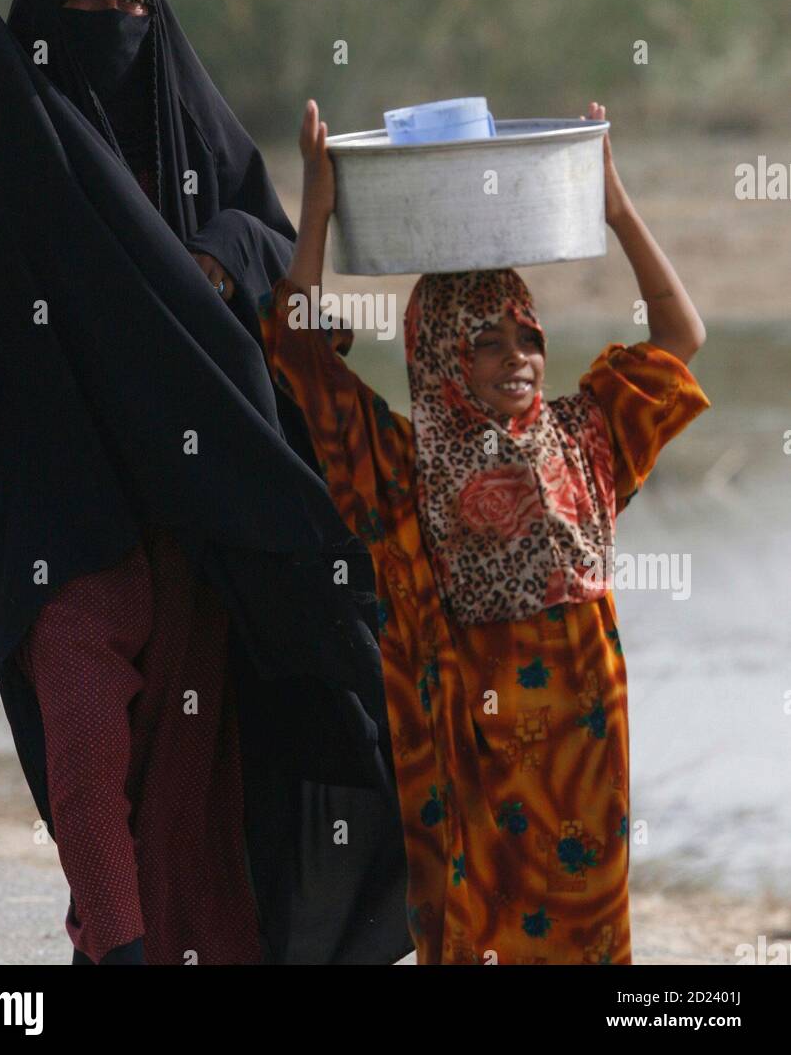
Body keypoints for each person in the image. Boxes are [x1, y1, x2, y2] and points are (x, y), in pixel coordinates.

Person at [0, 0, 410, 965]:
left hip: (184, 530)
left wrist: (236, 256)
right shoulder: (22, 142)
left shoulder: (188, 151)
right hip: (62, 527)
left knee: (186, 799)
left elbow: (277, 266)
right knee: (85, 753)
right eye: (87, 10)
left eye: (131, 8)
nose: (114, 26)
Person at [258, 98, 710, 964]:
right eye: (486, 343)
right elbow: (299, 350)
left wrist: (611, 206)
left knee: (590, 942)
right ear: (437, 356)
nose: (519, 359)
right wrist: (316, 208)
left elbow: (679, 333)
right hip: (473, 756)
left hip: (588, 754)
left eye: (527, 337)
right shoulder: (401, 467)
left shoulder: (583, 437)